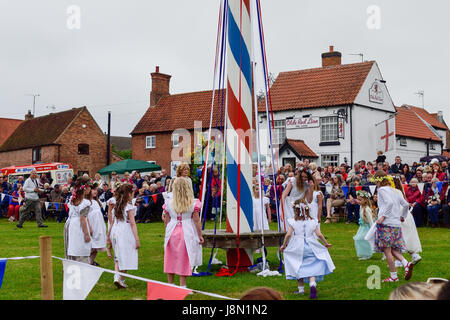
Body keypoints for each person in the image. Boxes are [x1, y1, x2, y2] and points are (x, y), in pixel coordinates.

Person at [280, 198, 335, 299]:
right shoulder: (313, 221)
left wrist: (284, 245)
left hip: (297, 248)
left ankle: (300, 290)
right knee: (312, 267)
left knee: (297, 265)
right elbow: (319, 234)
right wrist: (326, 243)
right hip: (311, 246)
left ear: (295, 210)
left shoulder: (293, 221)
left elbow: (288, 235)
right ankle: (312, 284)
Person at [370, 171, 413, 282]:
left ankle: (394, 276)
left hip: (386, 223)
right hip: (396, 223)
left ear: (378, 180)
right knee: (393, 248)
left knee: (387, 250)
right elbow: (405, 205)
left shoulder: (382, 190)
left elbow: (389, 203)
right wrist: (402, 216)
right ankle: (405, 263)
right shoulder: (397, 190)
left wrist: (383, 217)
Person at [162, 177, 203, 288]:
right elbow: (196, 220)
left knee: (170, 256)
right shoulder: (192, 203)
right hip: (187, 231)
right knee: (184, 257)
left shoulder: (169, 203)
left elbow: (166, 218)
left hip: (172, 230)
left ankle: (170, 283)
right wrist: (200, 235)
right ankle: (182, 284)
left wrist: (167, 229)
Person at [110, 183, 140, 288]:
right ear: (129, 194)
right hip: (124, 231)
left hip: (115, 230)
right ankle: (121, 279)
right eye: (132, 193)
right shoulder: (129, 206)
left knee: (118, 255)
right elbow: (132, 223)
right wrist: (136, 239)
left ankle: (117, 277)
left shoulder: (116, 205)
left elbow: (113, 222)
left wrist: (108, 236)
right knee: (126, 254)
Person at [393, 177, 422, 266]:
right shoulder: (401, 192)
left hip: (401, 214)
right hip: (407, 215)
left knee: (399, 236)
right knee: (406, 236)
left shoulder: (394, 192)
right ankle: (414, 255)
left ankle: (399, 260)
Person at [64, 177, 92, 263]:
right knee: (80, 247)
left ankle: (72, 264)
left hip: (70, 224)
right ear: (85, 188)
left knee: (72, 247)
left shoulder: (74, 199)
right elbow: (82, 218)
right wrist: (87, 234)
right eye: (89, 187)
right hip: (78, 227)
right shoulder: (85, 202)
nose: (90, 189)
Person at [86, 183, 107, 266]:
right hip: (91, 226)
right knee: (91, 246)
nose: (95, 191)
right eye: (93, 190)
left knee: (97, 247)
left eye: (96, 190)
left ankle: (91, 261)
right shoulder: (86, 202)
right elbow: (85, 216)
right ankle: (87, 262)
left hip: (98, 227)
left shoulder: (96, 202)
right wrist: (89, 228)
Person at [353, 190, 375, 260]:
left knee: (363, 239)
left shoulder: (367, 209)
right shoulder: (361, 207)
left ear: (365, 200)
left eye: (360, 200)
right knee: (359, 239)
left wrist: (372, 230)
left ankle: (367, 254)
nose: (358, 201)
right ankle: (365, 253)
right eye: (357, 199)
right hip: (362, 227)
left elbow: (371, 221)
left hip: (367, 228)